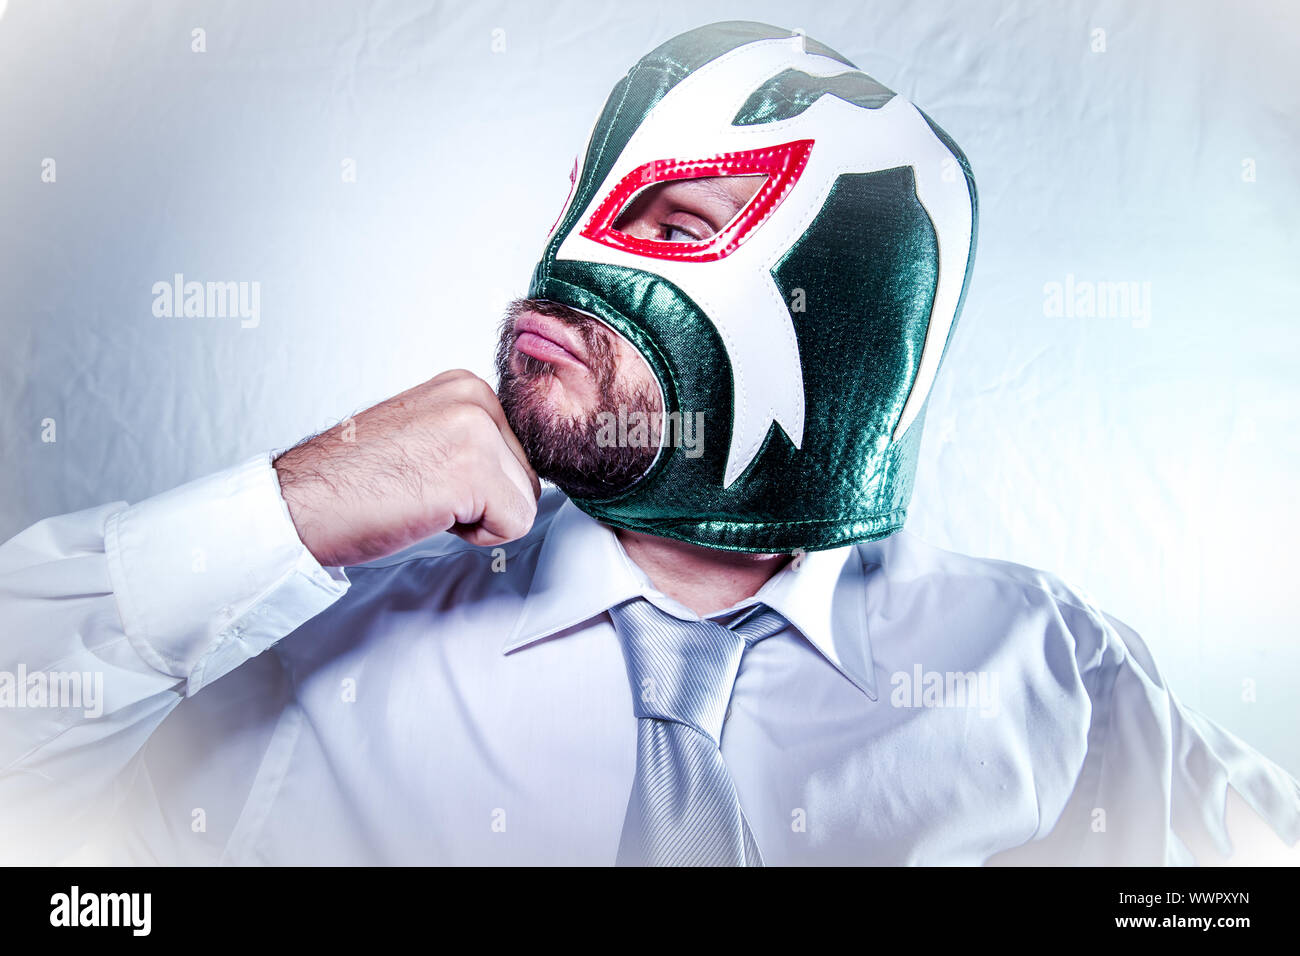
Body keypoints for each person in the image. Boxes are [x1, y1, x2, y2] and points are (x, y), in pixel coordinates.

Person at [1, 20, 1296, 867]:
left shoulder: (1044, 674)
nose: (566, 264)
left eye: (674, 223)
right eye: (582, 197)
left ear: (844, 313)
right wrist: (288, 511)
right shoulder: (299, 624)